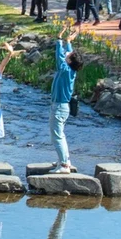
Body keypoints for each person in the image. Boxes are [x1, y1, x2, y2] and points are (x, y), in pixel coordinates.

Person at [49, 34, 82, 171]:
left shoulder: (65, 70)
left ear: (69, 60)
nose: (67, 54)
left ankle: (64, 165)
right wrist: (68, 42)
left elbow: (59, 58)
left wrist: (59, 40)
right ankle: (64, 160)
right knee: (60, 135)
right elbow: (68, 55)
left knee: (57, 136)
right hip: (62, 107)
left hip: (59, 107)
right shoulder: (70, 70)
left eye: (69, 54)